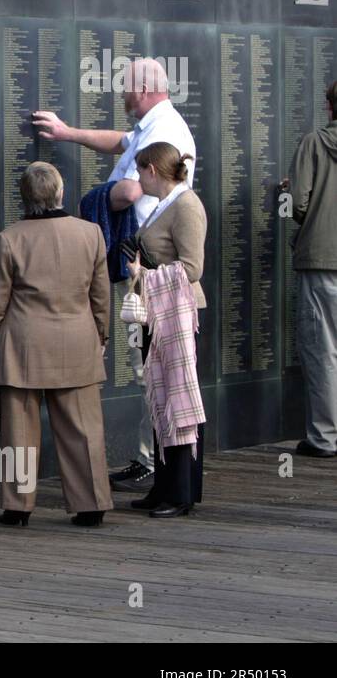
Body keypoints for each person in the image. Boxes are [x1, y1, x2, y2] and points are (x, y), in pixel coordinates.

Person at [34, 56, 196, 492]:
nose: (120, 93)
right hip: (141, 262)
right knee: (149, 365)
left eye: (125, 87)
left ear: (143, 90)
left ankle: (157, 462)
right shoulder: (153, 125)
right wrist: (69, 133)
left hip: (150, 267)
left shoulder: (165, 131)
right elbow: (120, 143)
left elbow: (132, 189)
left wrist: (96, 200)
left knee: (153, 368)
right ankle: (153, 460)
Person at [0, 162, 113, 527]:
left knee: (19, 430)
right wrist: (101, 335)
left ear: (23, 197)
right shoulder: (91, 234)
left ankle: (18, 507)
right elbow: (100, 296)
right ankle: (91, 504)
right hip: (78, 342)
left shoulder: (10, 239)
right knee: (82, 429)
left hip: (22, 347)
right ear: (60, 192)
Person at [124, 141, 208, 517]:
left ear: (152, 170)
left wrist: (144, 273)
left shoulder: (187, 206)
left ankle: (181, 492)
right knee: (160, 400)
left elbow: (192, 268)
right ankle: (164, 485)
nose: (137, 177)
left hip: (176, 315)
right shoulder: (166, 204)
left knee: (179, 403)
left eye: (140, 170)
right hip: (157, 314)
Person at [287, 80, 337, 458]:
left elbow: (296, 208)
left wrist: (284, 193)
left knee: (322, 350)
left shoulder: (314, 143)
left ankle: (324, 437)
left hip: (322, 259)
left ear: (330, 106)